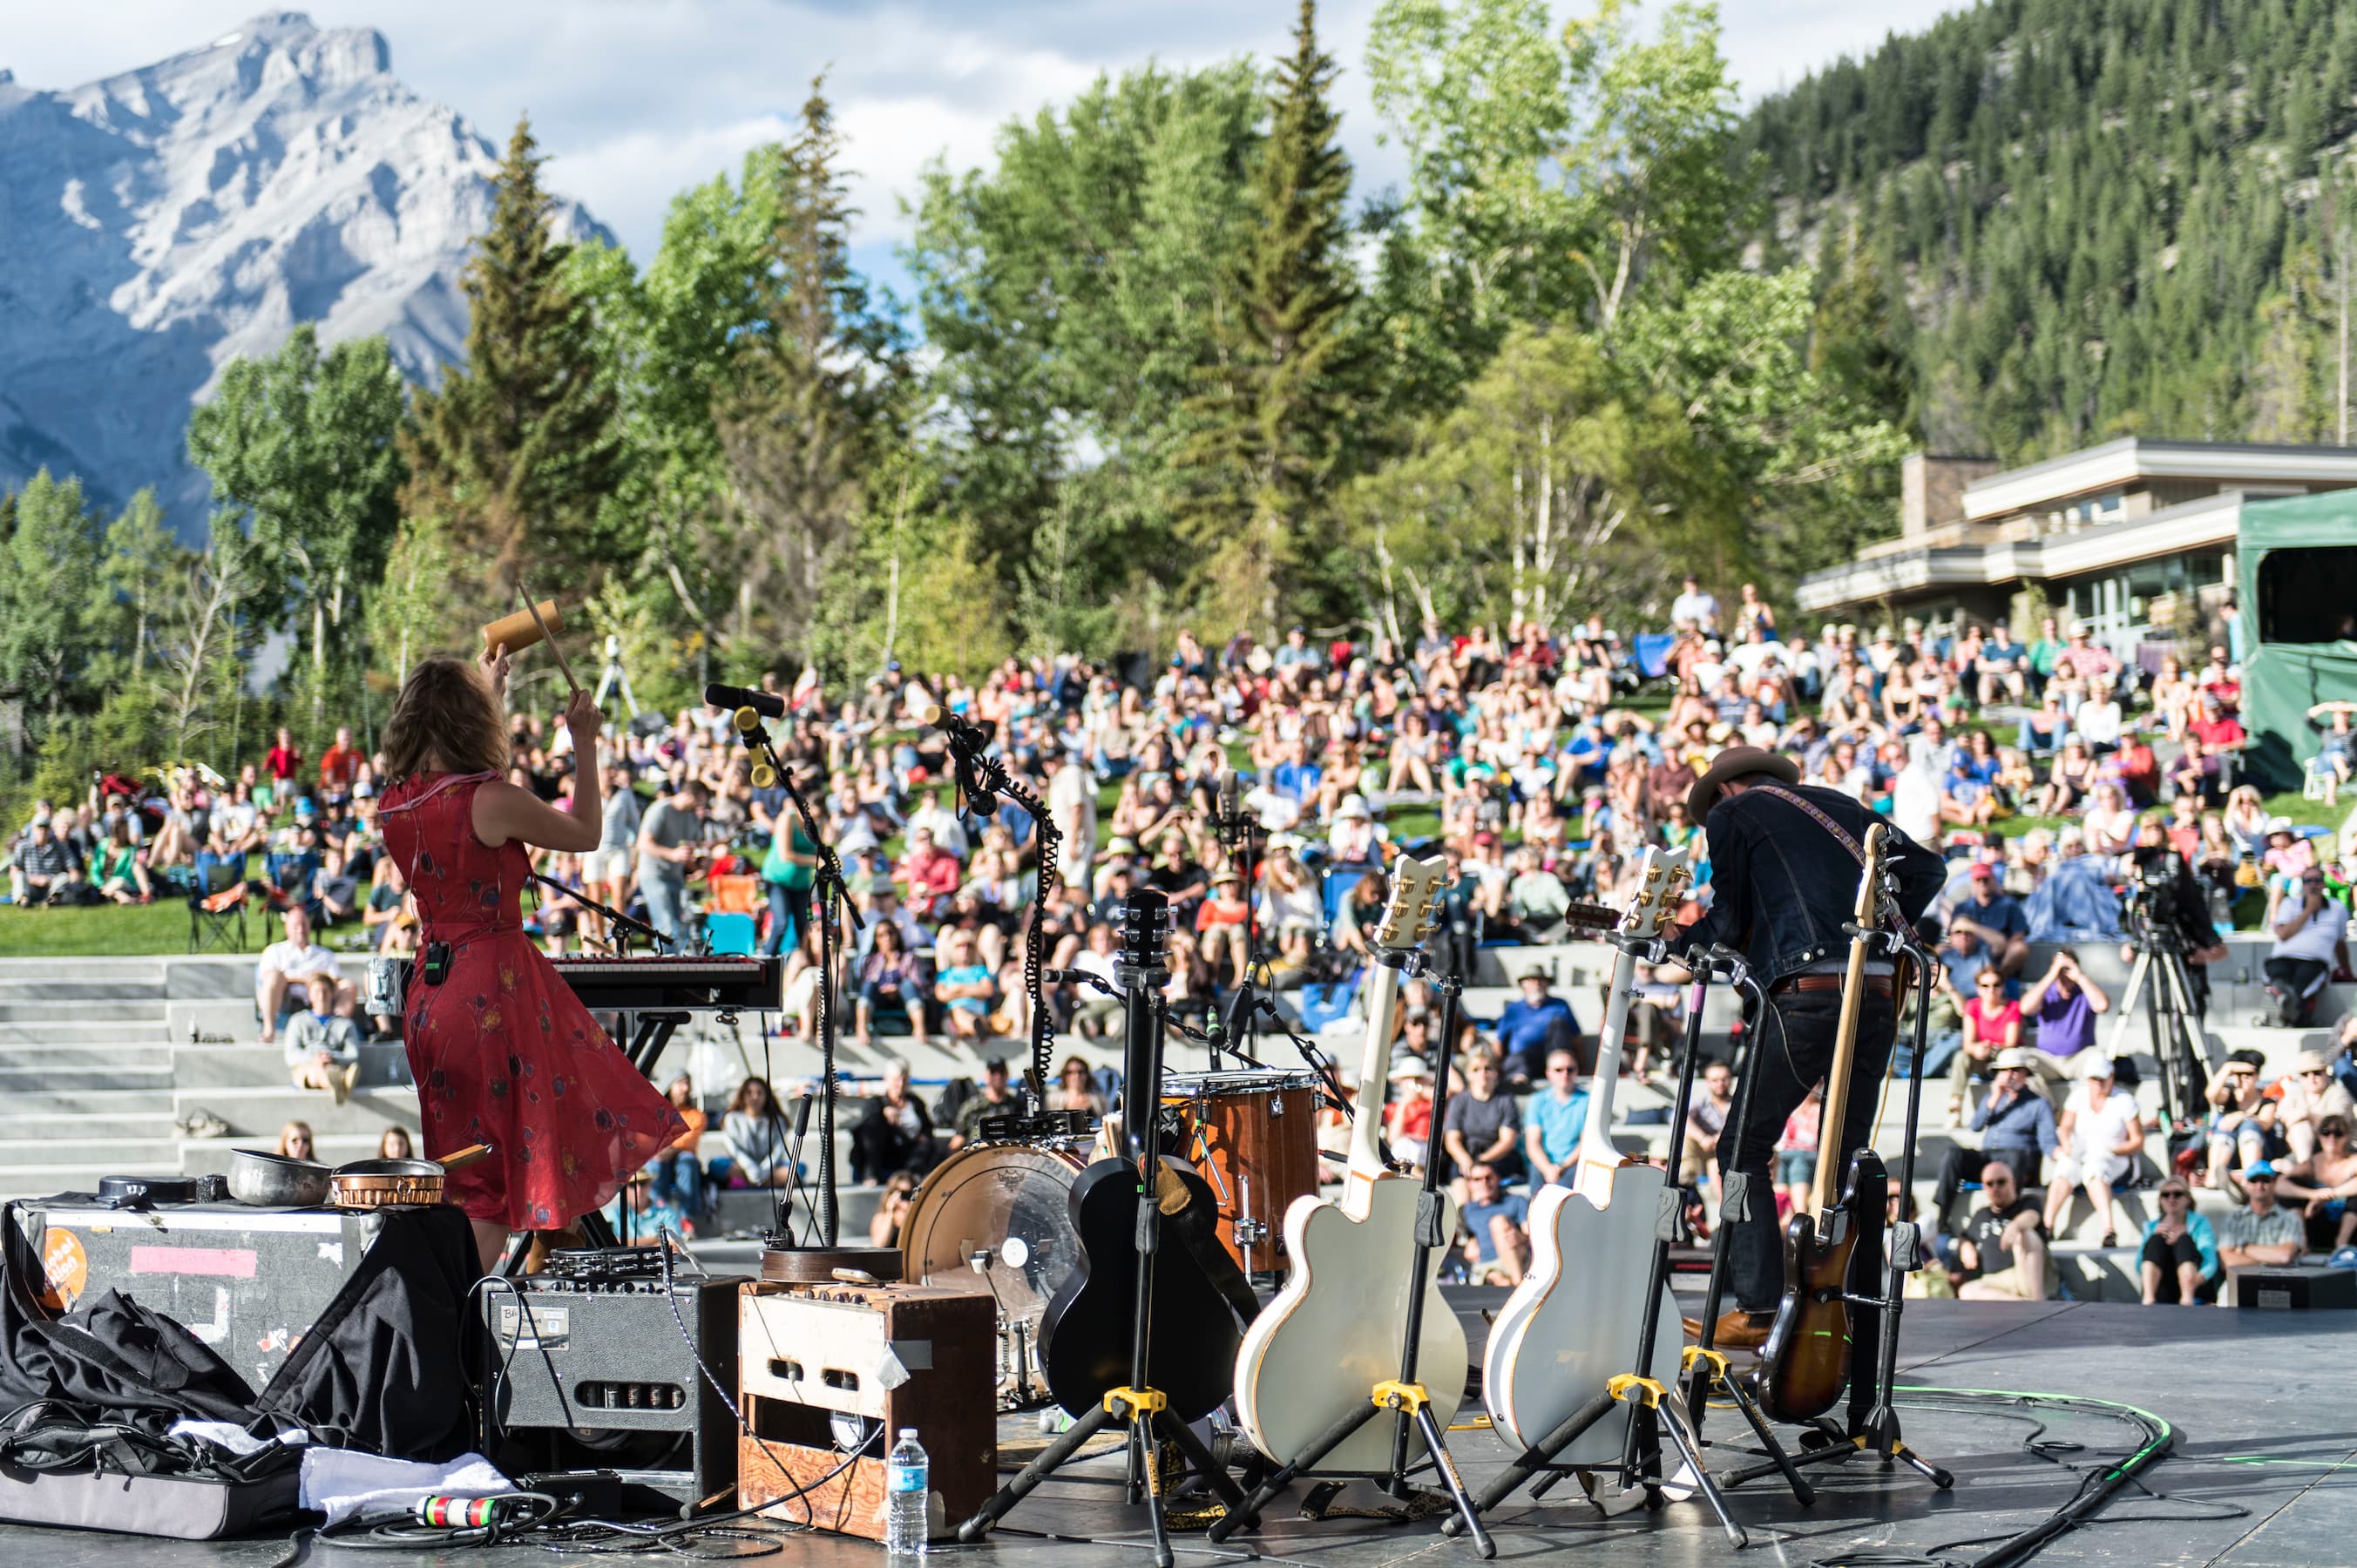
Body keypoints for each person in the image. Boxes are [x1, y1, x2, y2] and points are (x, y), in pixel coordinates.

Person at [377, 649, 685, 1274]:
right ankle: (453, 1316)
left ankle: (446, 1303)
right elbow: (587, 833)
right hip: (488, 990)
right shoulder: (491, 800)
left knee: (460, 1172)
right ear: (469, 721)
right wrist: (584, 742)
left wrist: (490, 691)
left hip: (431, 995)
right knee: (488, 1190)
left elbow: (466, 797)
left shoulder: (396, 804)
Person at [1670, 747, 1943, 1349]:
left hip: (1806, 995)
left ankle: (1759, 1309)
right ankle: (1842, 1312)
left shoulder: (1733, 814)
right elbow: (1928, 871)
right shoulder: (1840, 805)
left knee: (1741, 1149)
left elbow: (1728, 919)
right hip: (1876, 992)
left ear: (1723, 790)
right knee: (1846, 1158)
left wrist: (1678, 939)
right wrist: (1880, 935)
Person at [1934, 1049, 2057, 1222]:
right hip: (1989, 1157)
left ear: (2025, 1074)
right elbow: (1976, 1126)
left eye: (2015, 1070)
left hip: (2019, 1161)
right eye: (2004, 1071)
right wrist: (1995, 1098)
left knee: (2016, 1157)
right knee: (1953, 1154)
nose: (2009, 1075)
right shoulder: (1992, 1098)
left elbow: (2048, 1141)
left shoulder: (2038, 1103)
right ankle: (1943, 1214)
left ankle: (2007, 1216)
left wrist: (2059, 1154)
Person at [2043, 1061, 2142, 1246]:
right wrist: (2067, 1145)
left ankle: (2108, 1229)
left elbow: (2137, 1140)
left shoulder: (2124, 1100)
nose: (2098, 1084)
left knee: (2095, 1168)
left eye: (2102, 1079)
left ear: (2111, 1077)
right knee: (2065, 1167)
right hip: (2082, 1155)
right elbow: (2065, 1127)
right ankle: (2047, 1226)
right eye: (2094, 1079)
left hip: (2115, 1159)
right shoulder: (2078, 1096)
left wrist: (2114, 1150)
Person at [2264, 866, 2351, 1028]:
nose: (2313, 885)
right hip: (2282, 959)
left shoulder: (2337, 908)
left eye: (2317, 880)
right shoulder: (2289, 904)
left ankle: (2281, 1008)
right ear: (2303, 885)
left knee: (2300, 988)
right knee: (2280, 980)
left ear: (2324, 884)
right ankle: (2285, 1007)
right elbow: (2283, 934)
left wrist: (2347, 971)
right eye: (2308, 881)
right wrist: (2309, 910)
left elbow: (2340, 943)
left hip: (2314, 962)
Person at [254, 906, 355, 1045]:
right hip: (285, 1000)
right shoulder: (274, 951)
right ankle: (269, 1031)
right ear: (287, 928)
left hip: (320, 1000)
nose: (300, 929)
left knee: (348, 985)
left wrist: (314, 984)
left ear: (309, 926)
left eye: (304, 924)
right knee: (274, 977)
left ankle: (336, 1031)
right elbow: (266, 977)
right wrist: (307, 979)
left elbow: (335, 980)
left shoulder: (325, 954)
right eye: (295, 926)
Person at [1954, 1163, 2049, 1301]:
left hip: (2024, 1275)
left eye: (2001, 1182)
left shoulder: (2028, 1203)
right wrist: (1965, 1246)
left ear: (2013, 1182)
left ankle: (2036, 1301)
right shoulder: (1982, 1214)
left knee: (2026, 1234)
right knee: (1966, 1291)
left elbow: (2032, 1217)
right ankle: (2021, 1304)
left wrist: (2014, 1226)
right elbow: (1965, 1236)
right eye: (1990, 1184)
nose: (1996, 1188)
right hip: (1993, 1281)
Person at [635, 778, 709, 946]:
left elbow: (693, 844)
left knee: (680, 927)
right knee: (666, 926)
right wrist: (672, 854)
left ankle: (675, 959)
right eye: (699, 802)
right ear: (689, 795)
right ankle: (664, 961)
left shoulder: (691, 816)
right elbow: (643, 843)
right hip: (654, 874)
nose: (700, 807)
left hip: (675, 876)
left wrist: (698, 862)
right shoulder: (660, 810)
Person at [2022, 948, 2108, 1085]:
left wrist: (2080, 976)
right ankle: (2045, 1100)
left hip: (2079, 1059)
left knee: (2098, 1060)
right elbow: (2025, 1008)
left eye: (2067, 968)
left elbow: (2102, 1005)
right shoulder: (2045, 991)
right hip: (2048, 1060)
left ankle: (2079, 1100)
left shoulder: (2085, 990)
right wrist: (2051, 975)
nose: (2063, 973)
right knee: (2018, 1060)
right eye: (2060, 968)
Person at [2216, 1160, 2305, 1289]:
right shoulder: (2234, 1219)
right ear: (2246, 1184)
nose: (2260, 1185)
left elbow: (2284, 1256)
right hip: (2239, 1282)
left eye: (2265, 1180)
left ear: (2275, 1183)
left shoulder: (2290, 1218)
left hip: (2281, 1284)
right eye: (2254, 1181)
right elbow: (2228, 1262)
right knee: (2225, 1296)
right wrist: (2270, 1261)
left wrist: (2244, 1249)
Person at [2274, 1115, 2357, 1253]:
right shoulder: (2312, 1163)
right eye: (2326, 1132)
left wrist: (2329, 1196)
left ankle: (2341, 1244)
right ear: (2319, 1136)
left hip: (2349, 1226)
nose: (2332, 1138)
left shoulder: (2353, 1160)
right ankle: (2301, 1242)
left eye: (2338, 1133)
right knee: (2293, 1188)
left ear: (2347, 1137)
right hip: (2317, 1222)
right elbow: (2280, 1185)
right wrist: (2312, 1194)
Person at [1442, 1049, 1524, 1188]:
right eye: (1476, 1069)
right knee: (1460, 1182)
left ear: (1496, 1072)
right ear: (1468, 1074)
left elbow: (1507, 1141)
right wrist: (1466, 1160)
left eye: (1488, 1068)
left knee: (1485, 1177)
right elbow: (1452, 1140)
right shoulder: (1459, 1101)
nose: (1483, 1074)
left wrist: (1481, 1161)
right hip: (1466, 1156)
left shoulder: (1506, 1100)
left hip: (1498, 1158)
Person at [2137, 1178, 2219, 1306]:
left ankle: (2187, 1300)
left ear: (2188, 1198)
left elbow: (2210, 1261)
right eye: (2166, 1194)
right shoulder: (2151, 1226)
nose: (2171, 1198)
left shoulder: (2200, 1223)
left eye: (2177, 1194)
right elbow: (2139, 1264)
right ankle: (2148, 1300)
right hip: (2162, 1286)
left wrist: (2194, 1281)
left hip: (2195, 1284)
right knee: (2156, 1241)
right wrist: (2154, 1236)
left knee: (2184, 1241)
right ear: (2160, 1200)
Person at [284, 971, 364, 1103]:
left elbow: (352, 1053)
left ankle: (335, 1082)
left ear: (332, 994)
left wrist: (331, 1057)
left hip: (334, 1064)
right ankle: (342, 1083)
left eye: (325, 991)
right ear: (310, 995)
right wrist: (315, 1058)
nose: (321, 996)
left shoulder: (345, 1024)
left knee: (332, 1070)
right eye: (317, 992)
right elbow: (291, 1055)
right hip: (307, 1067)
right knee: (313, 1072)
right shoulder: (297, 1020)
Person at [1494, 967, 1582, 1085]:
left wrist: (1583, 1065)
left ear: (1547, 985)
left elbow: (1576, 1038)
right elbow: (1499, 1042)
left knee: (1558, 1024)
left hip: (1554, 1057)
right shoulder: (1513, 1009)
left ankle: (1559, 1072)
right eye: (1531, 980)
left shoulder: (1560, 1005)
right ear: (1523, 985)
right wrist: (1496, 1068)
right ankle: (1519, 1080)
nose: (1537, 984)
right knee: (1518, 1059)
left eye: (1541, 981)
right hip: (1525, 1059)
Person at [852, 1060, 937, 1183]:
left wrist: (924, 1136)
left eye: (904, 1080)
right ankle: (871, 1174)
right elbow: (867, 1126)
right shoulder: (876, 1103)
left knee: (929, 1146)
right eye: (896, 1080)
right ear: (887, 1080)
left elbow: (927, 1126)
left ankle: (912, 1177)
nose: (900, 1084)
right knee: (873, 1125)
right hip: (885, 1153)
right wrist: (884, 1112)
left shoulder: (916, 1102)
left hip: (910, 1153)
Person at [2275, 1050, 2357, 1166]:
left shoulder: (2339, 1093)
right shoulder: (2295, 1094)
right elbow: (2282, 1115)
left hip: (2341, 1150)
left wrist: (2307, 1115)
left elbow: (2335, 1124)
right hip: (2302, 1150)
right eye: (2305, 1074)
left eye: (2316, 1073)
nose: (2311, 1078)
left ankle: (2305, 1167)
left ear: (2325, 1073)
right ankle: (2305, 1165)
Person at [1522, 1047, 1589, 1188]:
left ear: (1577, 1071)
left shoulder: (1588, 1100)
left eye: (1570, 1069)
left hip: (1574, 1163)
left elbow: (1586, 1143)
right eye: (1558, 1070)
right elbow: (1533, 1143)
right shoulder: (1537, 1101)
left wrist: (1562, 1167)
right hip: (1543, 1163)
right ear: (1548, 1073)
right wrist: (1547, 1168)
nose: (1565, 1074)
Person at [717, 1076, 799, 1189]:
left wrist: (764, 1171)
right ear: (743, 1096)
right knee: (716, 1165)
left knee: (799, 1168)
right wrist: (749, 1167)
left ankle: (749, 1182)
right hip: (741, 1166)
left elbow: (778, 1150)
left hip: (770, 1169)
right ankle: (763, 1182)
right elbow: (734, 1149)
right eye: (749, 1093)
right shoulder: (731, 1118)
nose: (755, 1097)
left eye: (759, 1093)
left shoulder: (777, 1120)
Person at [1458, 1162, 1532, 1286]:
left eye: (1488, 1178)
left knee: (1498, 1222)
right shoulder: (1467, 1210)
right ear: (1470, 1184)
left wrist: (1520, 1237)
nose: (1484, 1183)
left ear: (1498, 1179)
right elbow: (1467, 1239)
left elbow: (1531, 1236)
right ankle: (1509, 1284)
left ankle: (1517, 1283)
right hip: (1486, 1265)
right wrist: (1469, 1241)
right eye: (1477, 1179)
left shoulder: (1516, 1201)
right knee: (1496, 1277)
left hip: (1517, 1259)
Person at [647, 1075, 708, 1220]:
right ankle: (658, 1213)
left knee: (688, 1161)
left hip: (683, 1163)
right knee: (654, 1162)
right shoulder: (657, 1113)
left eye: (687, 1084)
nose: (685, 1089)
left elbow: (689, 1141)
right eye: (680, 1084)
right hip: (661, 1162)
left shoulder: (697, 1115)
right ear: (669, 1086)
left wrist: (667, 1148)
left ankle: (687, 1217)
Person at [949, 1057, 1019, 1152]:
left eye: (1001, 1072)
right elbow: (958, 1138)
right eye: (993, 1072)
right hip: (978, 1155)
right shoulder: (973, 1106)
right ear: (986, 1076)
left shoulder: (1017, 1106)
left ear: (1007, 1075)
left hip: (1009, 1154)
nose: (998, 1076)